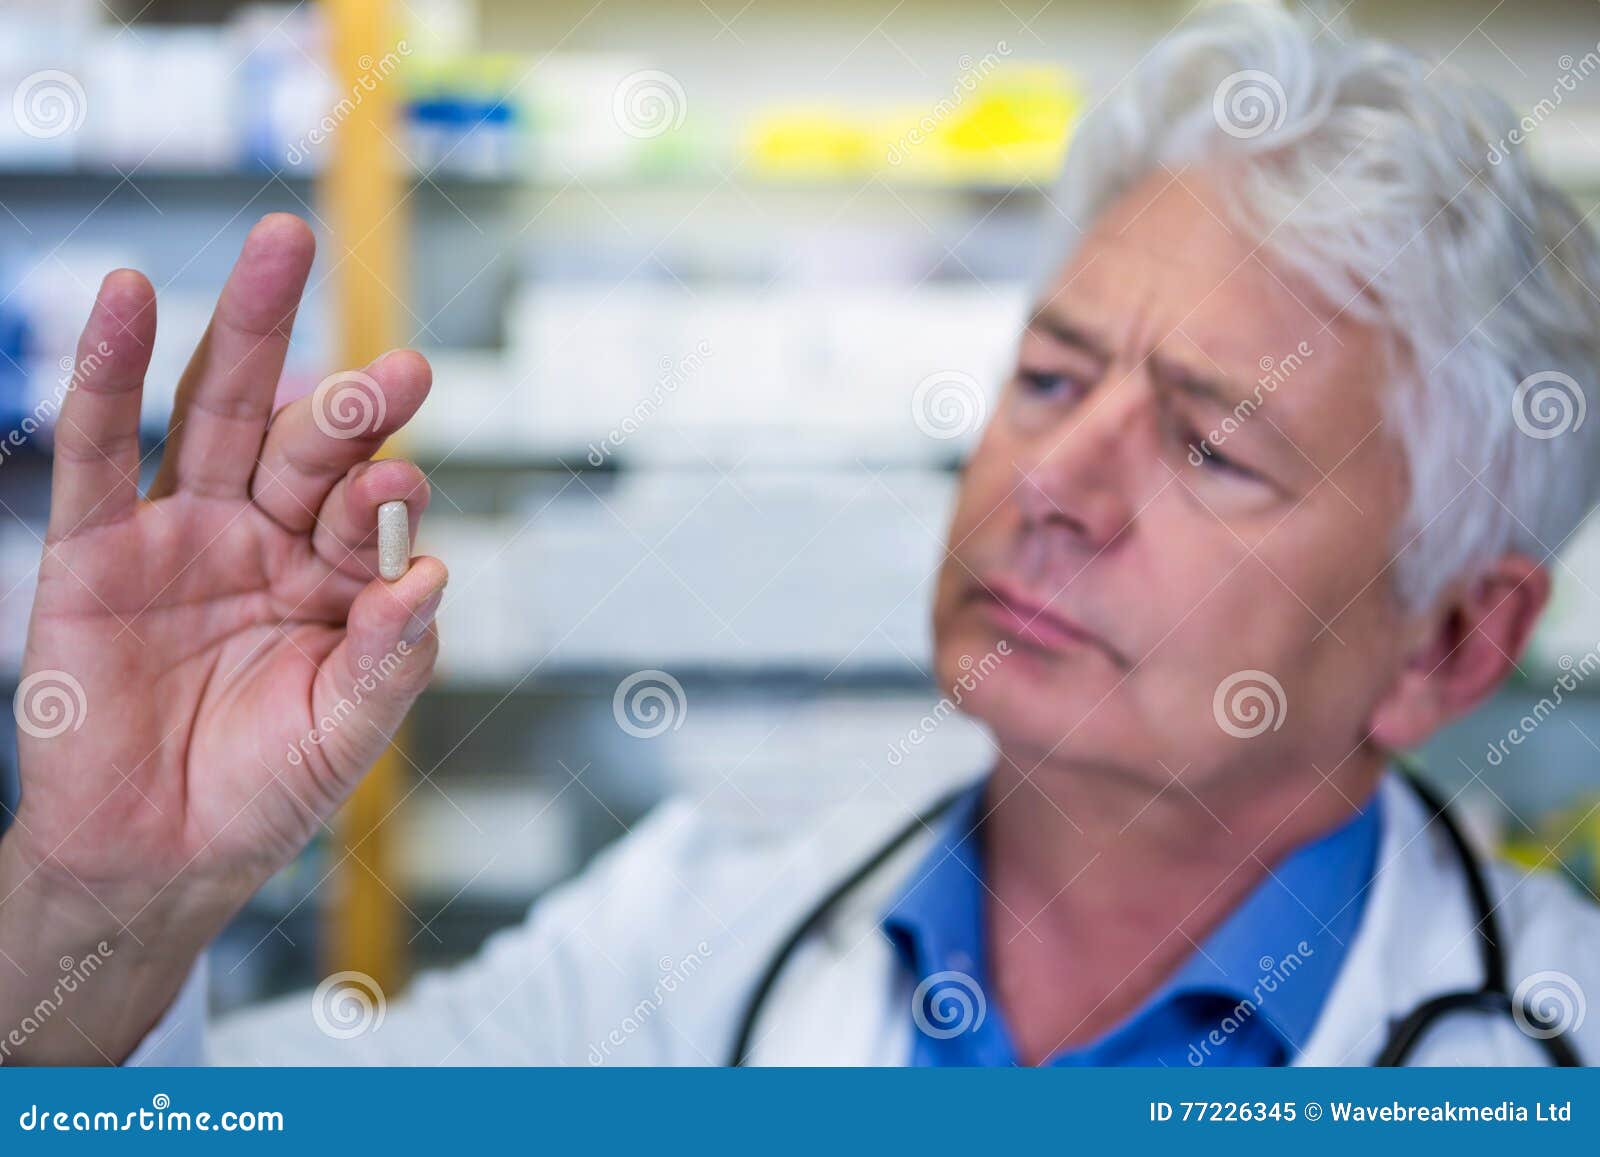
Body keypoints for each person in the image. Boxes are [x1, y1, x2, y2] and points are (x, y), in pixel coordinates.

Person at [3, 4, 1599, 1067]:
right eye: (1051, 375)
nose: (1053, 478)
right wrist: (106, 902)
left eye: (1213, 445)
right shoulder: (692, 930)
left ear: (1454, 638)